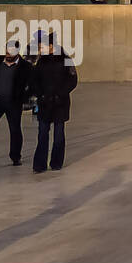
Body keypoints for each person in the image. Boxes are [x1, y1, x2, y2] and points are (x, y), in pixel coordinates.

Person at [29, 32, 77, 173]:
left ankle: (56, 162)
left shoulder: (66, 58)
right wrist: (40, 94)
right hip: (44, 103)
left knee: (58, 135)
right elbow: (34, 80)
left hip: (60, 104)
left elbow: (73, 80)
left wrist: (60, 94)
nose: (40, 49)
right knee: (42, 134)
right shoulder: (41, 61)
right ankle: (39, 164)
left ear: (51, 46)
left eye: (42, 46)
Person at [0, 40, 31, 170]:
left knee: (15, 130)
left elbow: (32, 85)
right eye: (7, 50)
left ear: (17, 51)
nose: (8, 53)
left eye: (11, 51)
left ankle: (15, 157)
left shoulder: (25, 66)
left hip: (13, 103)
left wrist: (23, 98)